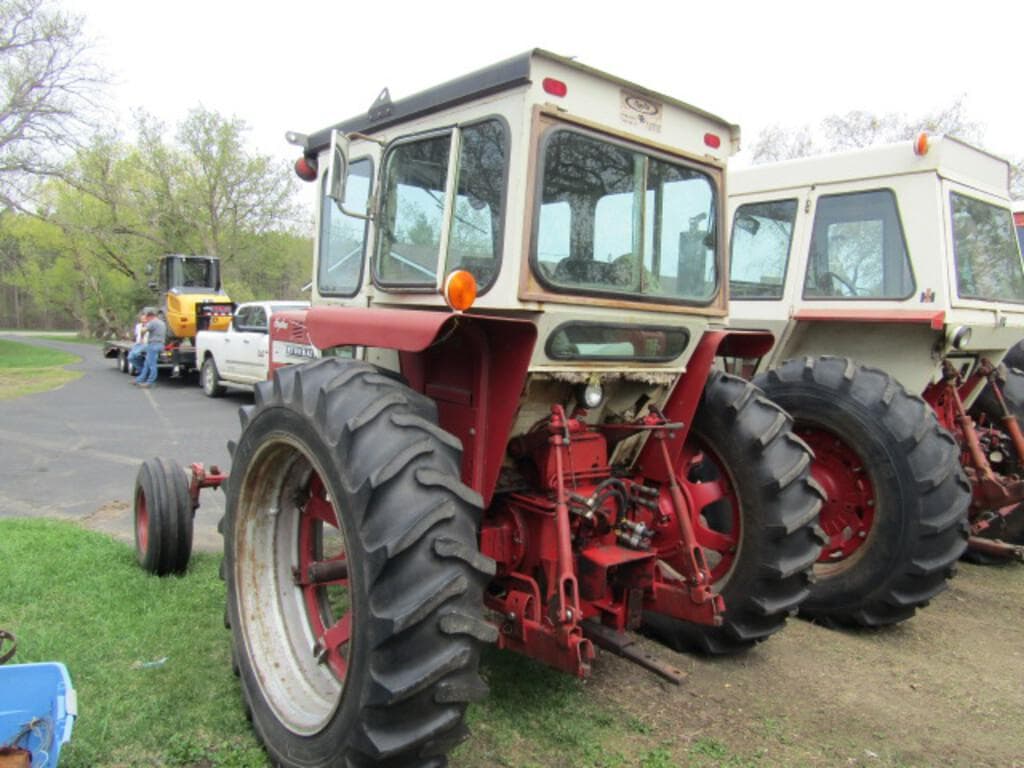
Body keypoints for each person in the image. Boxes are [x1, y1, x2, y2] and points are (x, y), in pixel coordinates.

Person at [134, 309, 166, 388]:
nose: (146, 320)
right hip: (161, 344)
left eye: (147, 318)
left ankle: (150, 382)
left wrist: (141, 337)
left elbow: (143, 330)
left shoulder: (153, 322)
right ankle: (139, 379)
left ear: (150, 316)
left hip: (153, 345)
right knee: (147, 363)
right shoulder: (162, 323)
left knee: (152, 365)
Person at [126, 310, 147, 374]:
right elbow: (136, 335)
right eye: (142, 318)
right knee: (130, 358)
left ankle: (143, 372)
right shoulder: (138, 326)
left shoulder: (150, 326)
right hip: (138, 344)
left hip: (145, 344)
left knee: (137, 354)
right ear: (140, 319)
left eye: (145, 318)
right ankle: (141, 369)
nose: (144, 320)